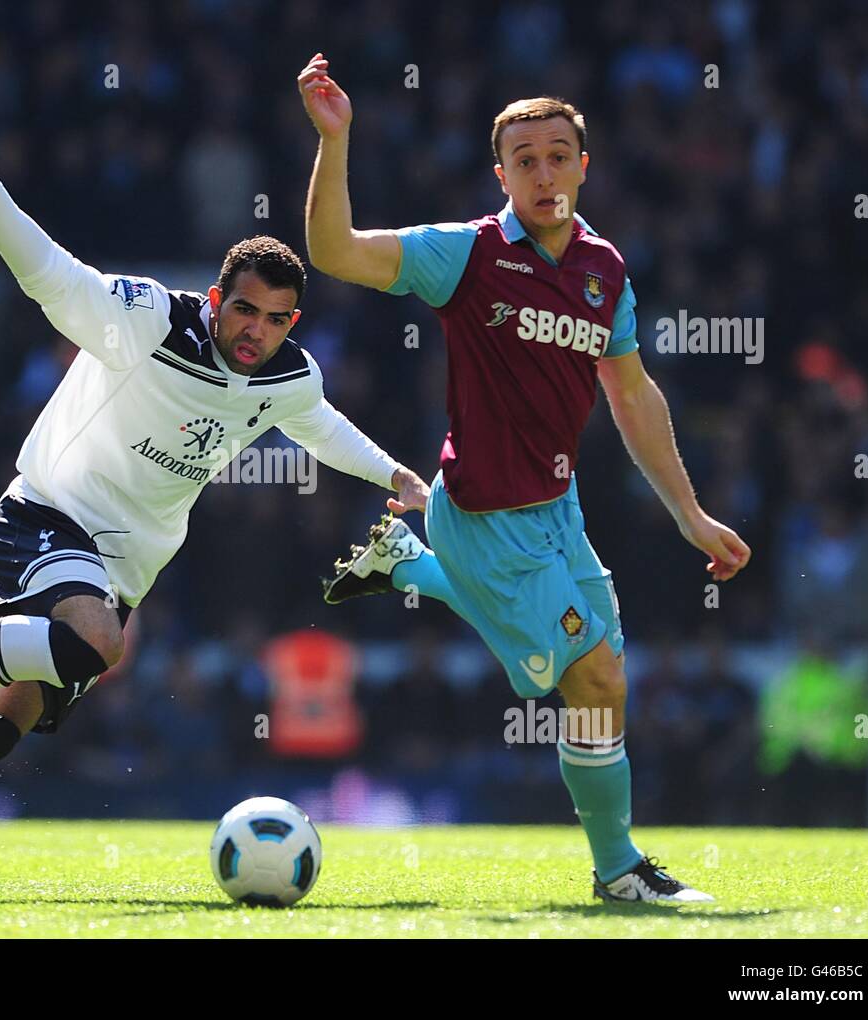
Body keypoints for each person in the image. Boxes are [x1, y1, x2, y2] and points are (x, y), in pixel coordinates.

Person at [0, 84, 429, 901]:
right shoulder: (148, 318)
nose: (258, 330)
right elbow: (50, 276)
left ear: (294, 323)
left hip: (120, 569)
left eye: (277, 319)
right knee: (100, 641)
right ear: (217, 299)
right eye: (246, 311)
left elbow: (321, 427)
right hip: (45, 514)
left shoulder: (287, 375)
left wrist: (397, 476)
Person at [298, 54, 751, 902]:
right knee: (588, 678)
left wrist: (689, 513)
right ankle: (618, 870)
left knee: (606, 674)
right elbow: (333, 252)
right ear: (499, 172)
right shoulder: (463, 256)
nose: (543, 172)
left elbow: (632, 391)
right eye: (524, 159)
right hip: (484, 514)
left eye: (558, 155)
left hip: (558, 509)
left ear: (585, 164)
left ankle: (405, 561)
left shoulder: (605, 269)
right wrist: (337, 138)